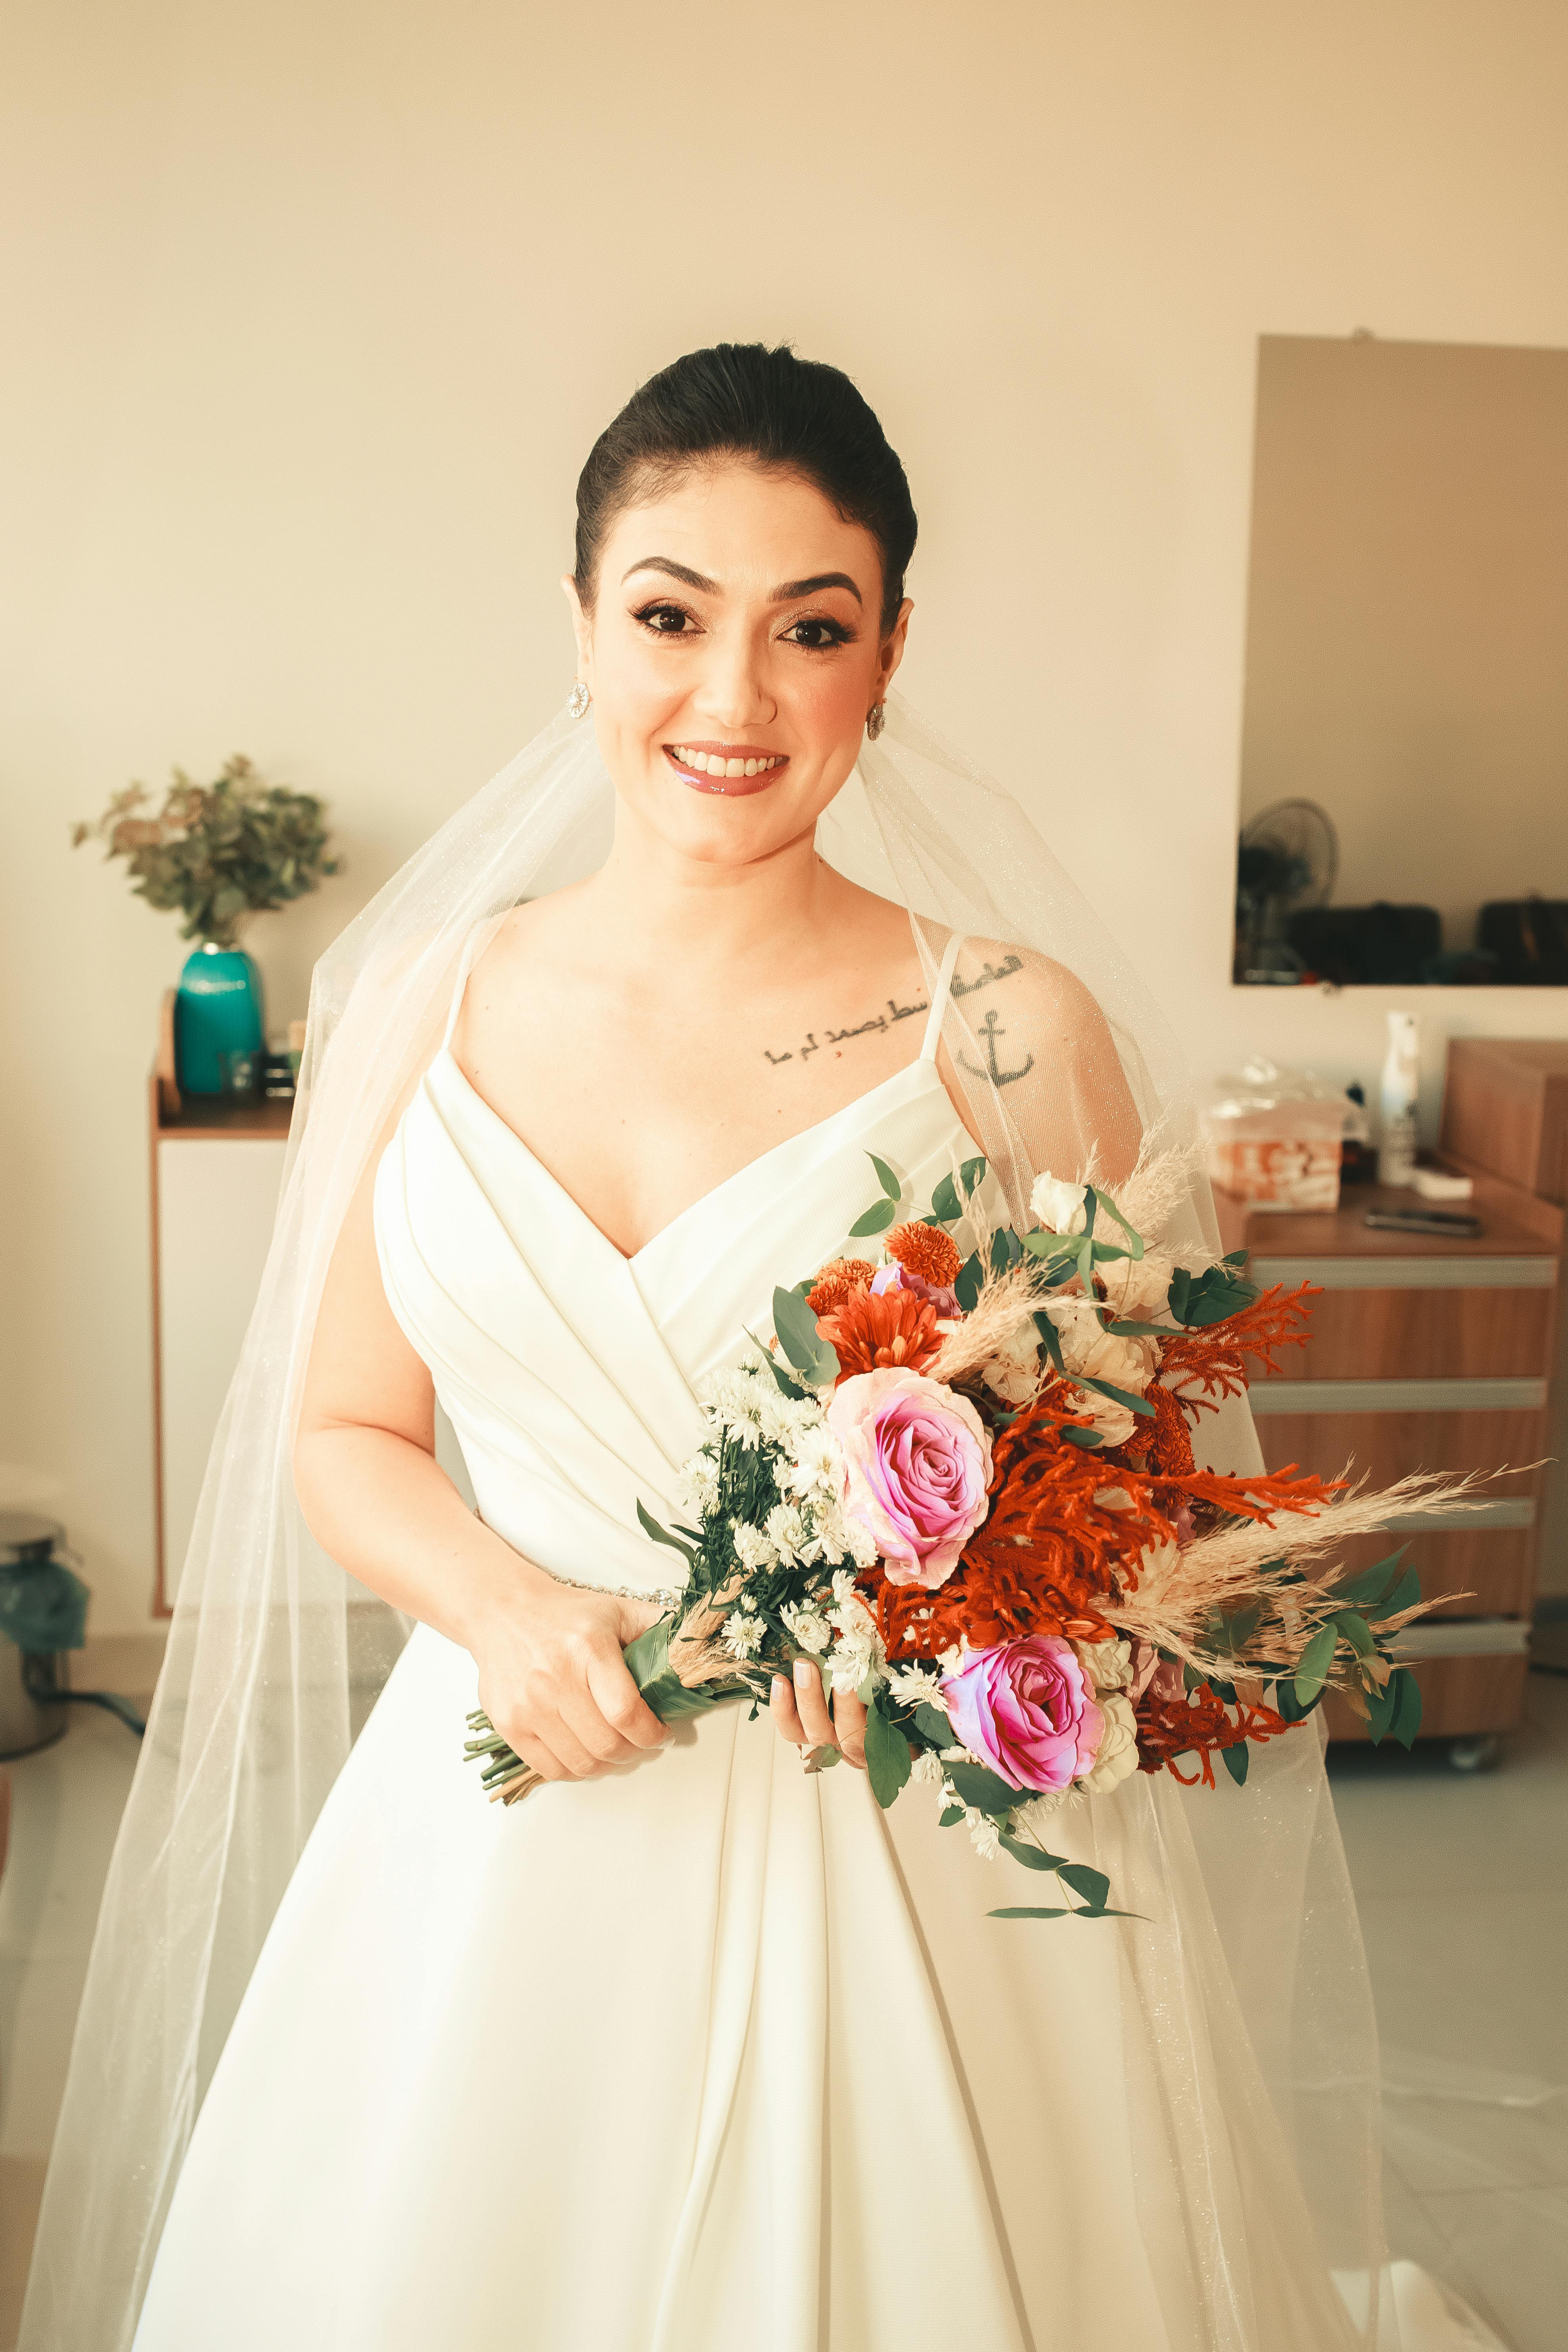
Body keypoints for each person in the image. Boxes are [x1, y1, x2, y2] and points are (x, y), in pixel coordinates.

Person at [28, 345, 1456, 2351]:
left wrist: (930, 1603)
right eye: (671, 616)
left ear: (888, 654)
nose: (733, 699)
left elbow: (1137, 1482)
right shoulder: (418, 1007)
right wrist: (512, 1613)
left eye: (811, 629)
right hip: (501, 1822)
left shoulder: (1011, 1030)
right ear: (583, 625)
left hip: (894, 1849)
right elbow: (349, 1424)